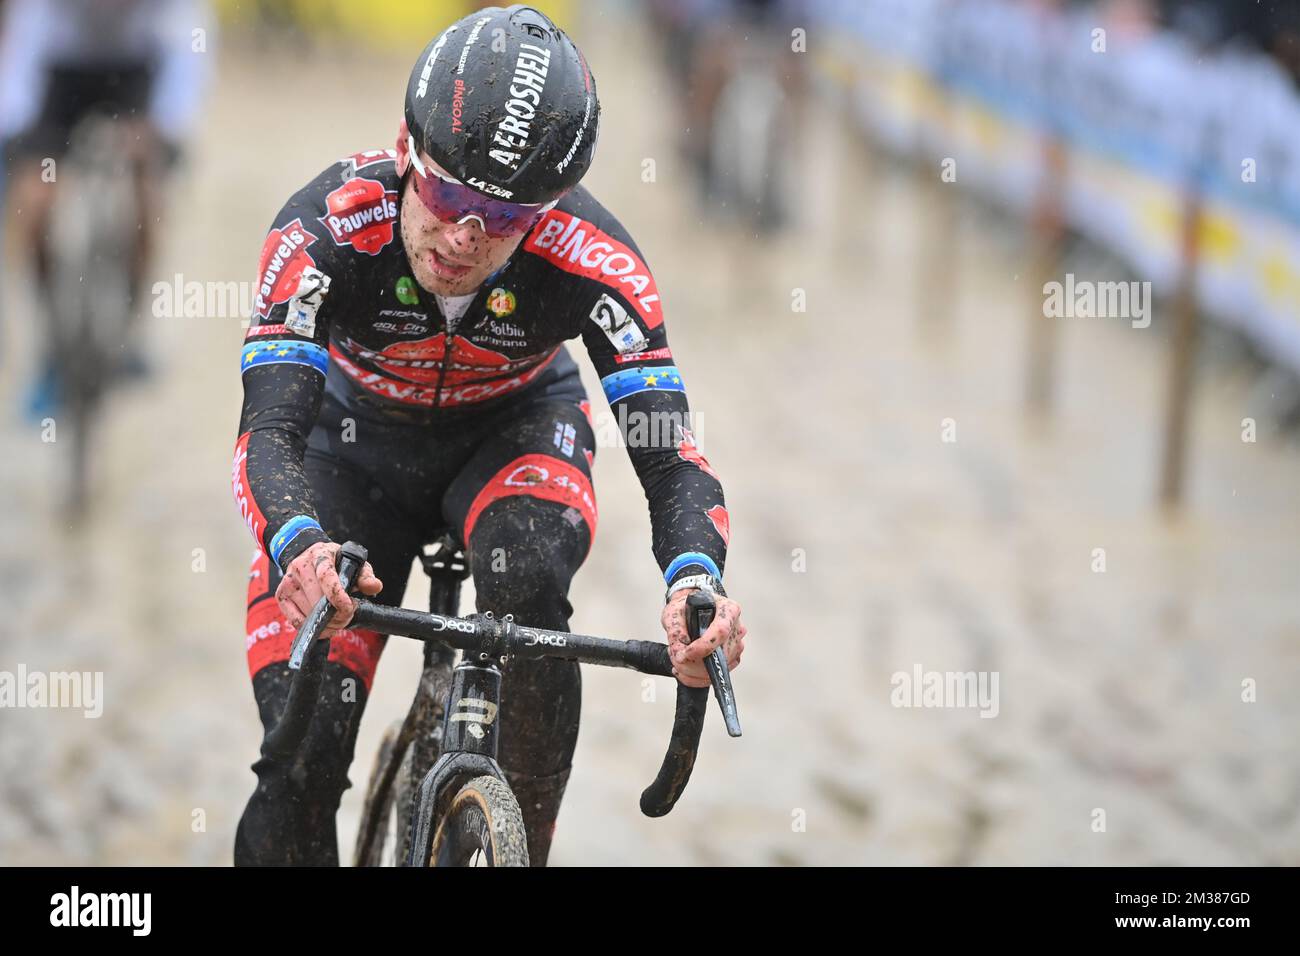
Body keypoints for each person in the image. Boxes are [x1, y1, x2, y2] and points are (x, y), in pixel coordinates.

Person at [232, 3, 746, 867]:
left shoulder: (594, 255)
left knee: (531, 577)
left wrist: (698, 582)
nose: (466, 236)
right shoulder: (323, 229)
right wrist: (300, 544)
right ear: (406, 150)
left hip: (513, 434)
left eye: (506, 218)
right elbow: (269, 430)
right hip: (349, 451)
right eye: (449, 195)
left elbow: (669, 453)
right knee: (300, 769)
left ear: (549, 209)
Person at [0, 0, 211, 415]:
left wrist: (170, 129)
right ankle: (52, 345)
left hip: (136, 69)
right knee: (34, 201)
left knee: (147, 187)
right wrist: (17, 136)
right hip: (61, 70)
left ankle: (129, 330)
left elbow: (190, 42)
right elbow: (24, 47)